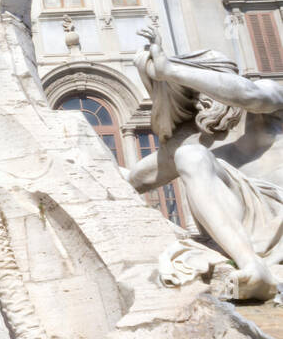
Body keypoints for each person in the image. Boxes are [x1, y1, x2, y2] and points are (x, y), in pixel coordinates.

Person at [121, 25, 283, 300]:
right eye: (194, 96)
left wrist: (170, 69)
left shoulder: (267, 103)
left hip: (277, 215)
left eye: (202, 86)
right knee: (189, 155)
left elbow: (249, 96)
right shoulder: (195, 144)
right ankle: (251, 264)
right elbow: (134, 180)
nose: (204, 102)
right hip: (241, 238)